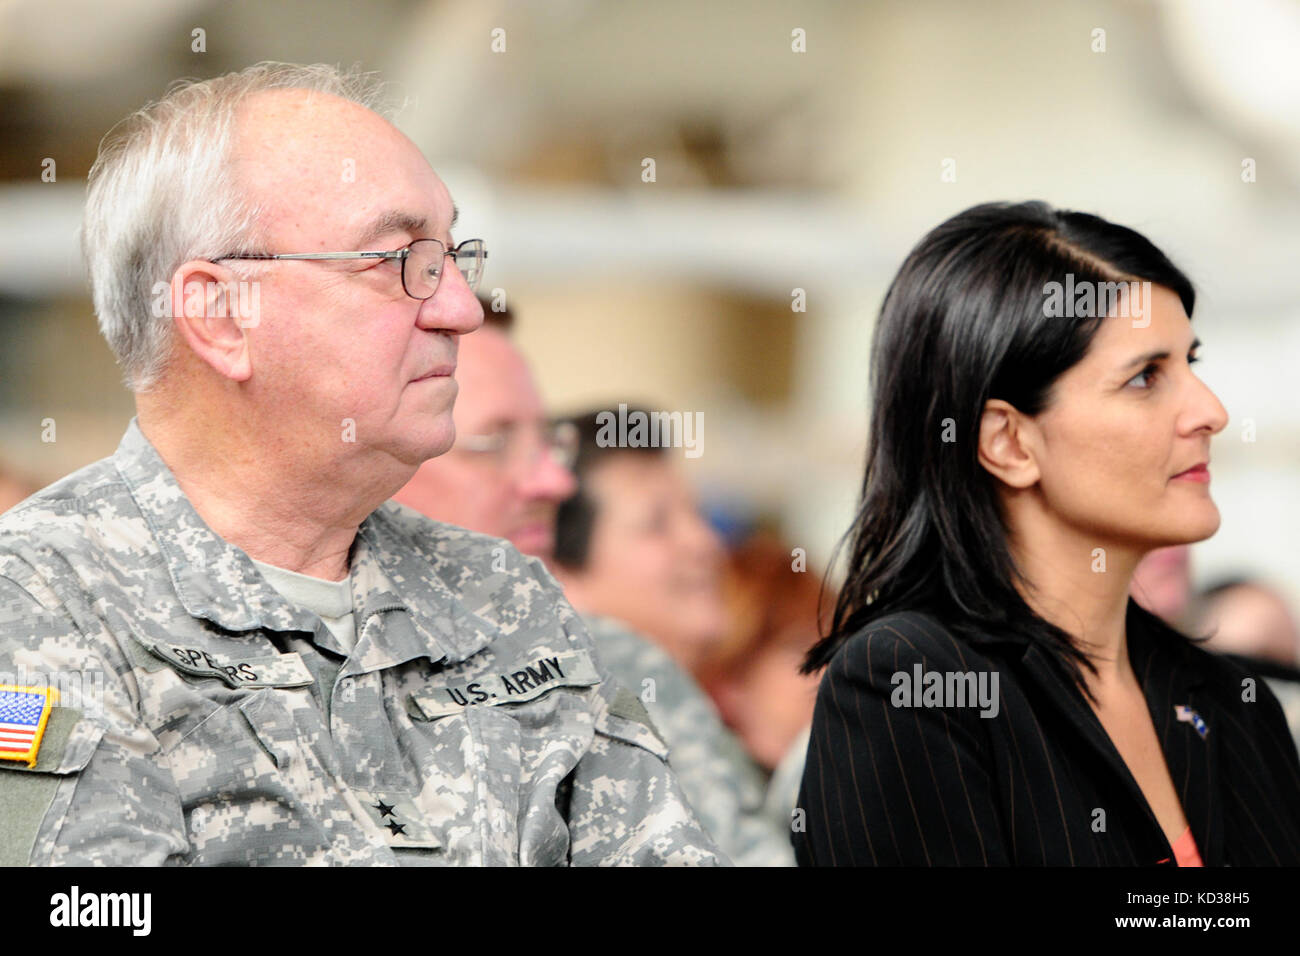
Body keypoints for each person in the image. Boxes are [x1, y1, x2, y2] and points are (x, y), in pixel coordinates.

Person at [0, 63, 724, 866]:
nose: (459, 309)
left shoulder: (501, 594)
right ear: (220, 314)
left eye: (454, 257)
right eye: (400, 260)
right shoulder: (41, 603)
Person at [795, 200, 1300, 866]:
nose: (1211, 412)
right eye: (1146, 377)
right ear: (1008, 442)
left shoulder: (1231, 702)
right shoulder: (911, 680)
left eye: (1191, 364)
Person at [394, 303, 793, 865]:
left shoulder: (617, 668)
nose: (553, 480)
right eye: (495, 441)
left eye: (548, 446)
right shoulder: (303, 657)